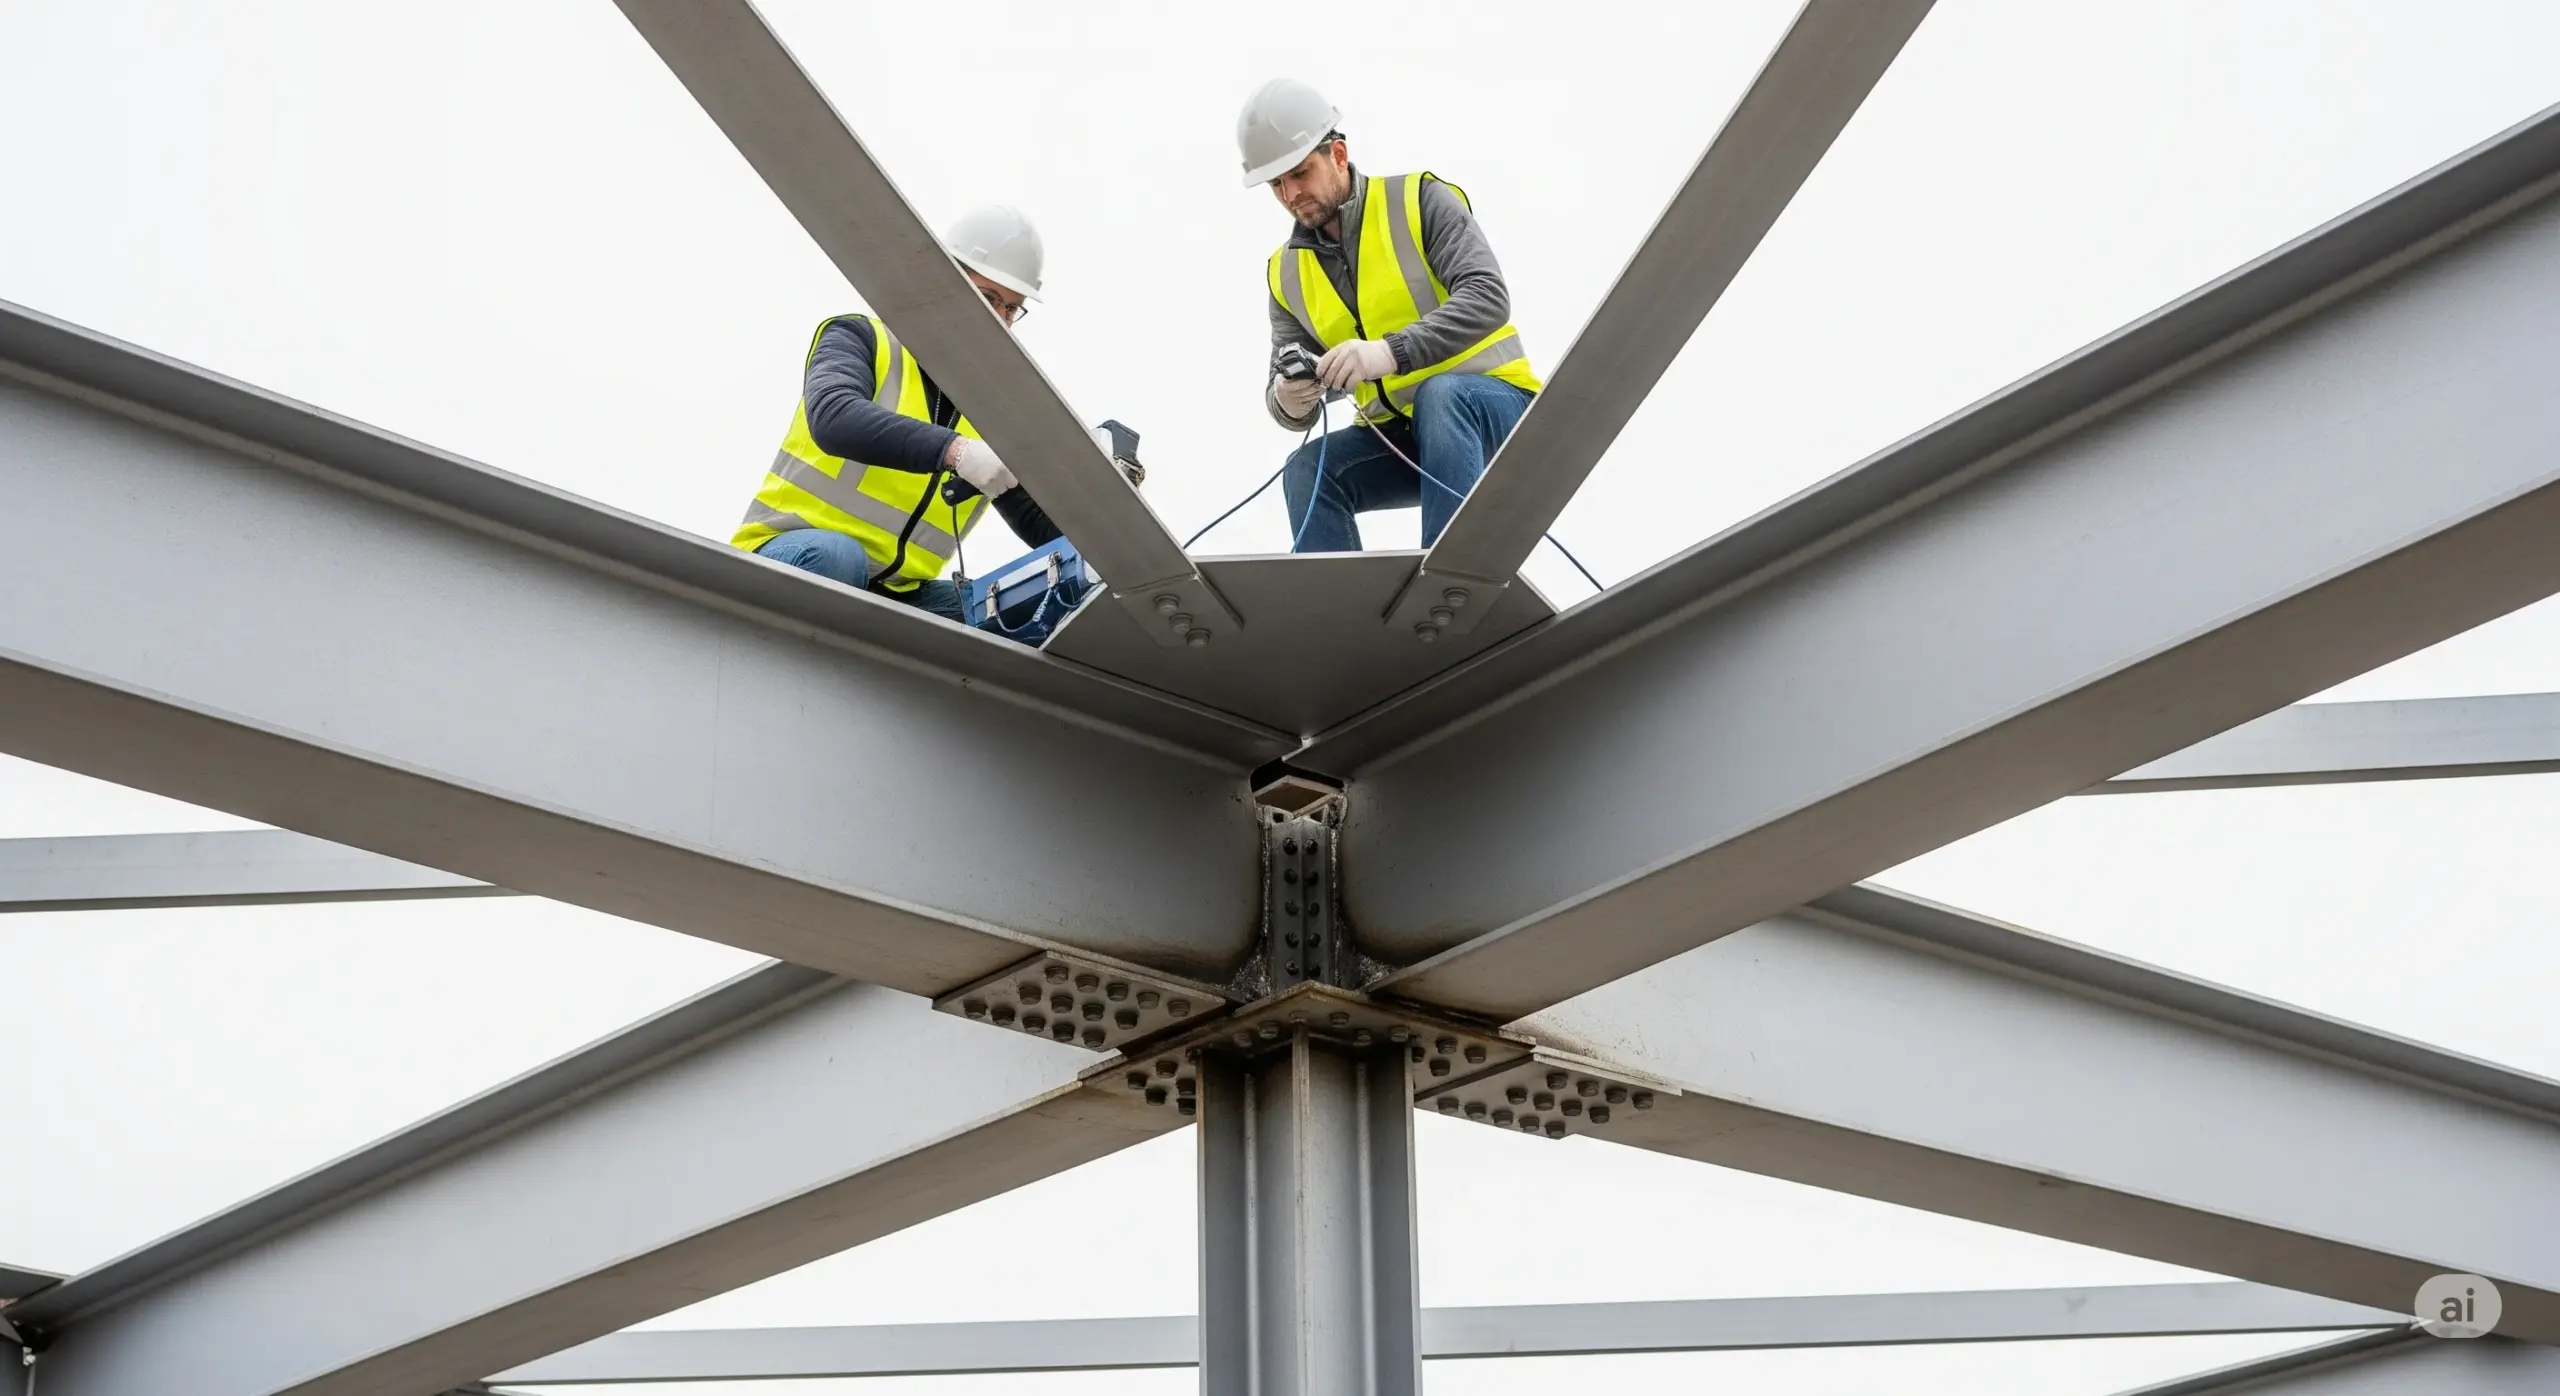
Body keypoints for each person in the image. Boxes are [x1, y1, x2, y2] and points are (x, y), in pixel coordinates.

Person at [1240, 79, 1543, 553]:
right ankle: (1337, 600)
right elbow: (1285, 396)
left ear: (1338, 155)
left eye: (1300, 173)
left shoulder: (1418, 201)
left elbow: (1487, 296)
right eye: (1276, 184)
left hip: (1495, 412)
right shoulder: (1286, 274)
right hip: (1404, 438)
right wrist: (1290, 399)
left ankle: (1444, 573)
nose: (1290, 193)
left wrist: (1389, 353)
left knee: (1441, 395)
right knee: (1308, 470)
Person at [731, 205, 1061, 622]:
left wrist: (1105, 508)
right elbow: (834, 417)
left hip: (900, 593)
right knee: (840, 556)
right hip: (797, 554)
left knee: (1017, 607)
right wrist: (955, 452)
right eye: (988, 298)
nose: (1000, 319)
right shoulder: (862, 337)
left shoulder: (995, 408)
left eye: (1012, 308)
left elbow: (1043, 529)